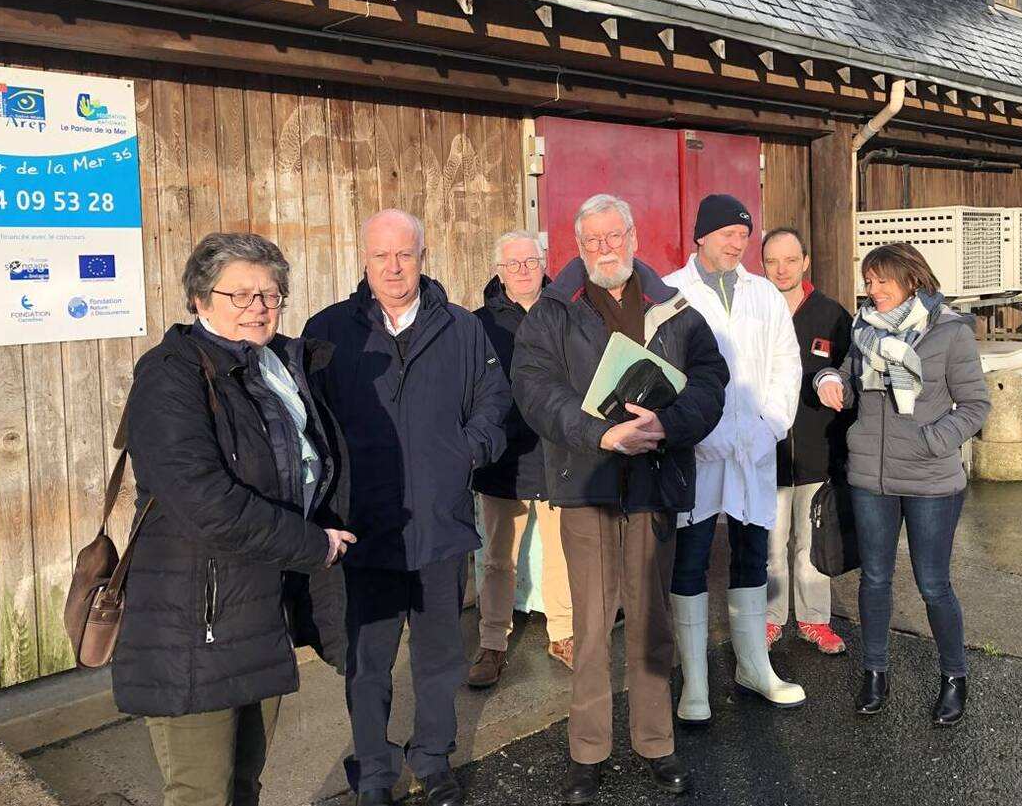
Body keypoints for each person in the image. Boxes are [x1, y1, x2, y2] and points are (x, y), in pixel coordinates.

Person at [116, 232, 356, 806]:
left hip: (256, 605)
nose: (258, 308)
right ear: (200, 300)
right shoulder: (170, 375)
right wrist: (311, 543)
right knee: (202, 791)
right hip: (195, 618)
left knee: (245, 781)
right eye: (239, 295)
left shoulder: (275, 366)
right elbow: (203, 500)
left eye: (270, 295)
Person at [512, 193, 729, 805]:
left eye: (614, 237)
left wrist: (671, 424)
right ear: (577, 248)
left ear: (633, 236)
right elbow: (534, 389)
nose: (605, 249)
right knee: (590, 624)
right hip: (586, 484)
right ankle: (588, 751)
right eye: (591, 241)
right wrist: (597, 433)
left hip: (654, 482)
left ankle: (656, 742)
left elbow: (712, 380)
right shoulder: (554, 310)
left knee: (651, 619)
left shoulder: (675, 305)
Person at [304, 209, 510, 806]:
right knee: (367, 663)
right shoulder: (329, 332)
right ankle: (373, 770)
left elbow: (494, 401)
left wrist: (468, 452)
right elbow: (310, 426)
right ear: (363, 259)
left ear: (423, 255)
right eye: (380, 256)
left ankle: (434, 758)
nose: (393, 269)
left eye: (405, 255)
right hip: (364, 529)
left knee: (440, 658)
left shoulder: (462, 328)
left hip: (440, 525)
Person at [816, 242, 990, 727]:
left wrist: (934, 440)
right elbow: (849, 379)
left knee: (933, 584)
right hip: (871, 475)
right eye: (868, 282)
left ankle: (954, 677)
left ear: (910, 279)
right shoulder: (863, 328)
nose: (872, 291)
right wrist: (830, 380)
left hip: (932, 480)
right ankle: (875, 672)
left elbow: (976, 405)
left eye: (881, 282)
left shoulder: (950, 331)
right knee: (874, 579)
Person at [662, 195, 804, 726]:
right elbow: (665, 370)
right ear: (700, 236)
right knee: (691, 557)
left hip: (753, 446)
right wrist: (689, 430)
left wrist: (771, 423)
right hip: (696, 450)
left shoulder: (763, 293)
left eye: (743, 235)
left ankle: (754, 667)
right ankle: (695, 681)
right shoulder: (673, 292)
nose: (736, 242)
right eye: (725, 233)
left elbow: (787, 363)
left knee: (751, 552)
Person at [468, 230, 574, 687]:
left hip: (556, 451)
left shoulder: (566, 312)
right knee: (497, 557)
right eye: (512, 264)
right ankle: (492, 642)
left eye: (529, 261)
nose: (522, 271)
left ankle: (564, 634)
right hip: (502, 459)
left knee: (562, 551)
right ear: (498, 269)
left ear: (544, 260)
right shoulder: (475, 324)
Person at [762, 227, 852, 656]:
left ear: (805, 262)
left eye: (789, 260)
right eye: (771, 261)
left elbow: (850, 379)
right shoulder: (756, 313)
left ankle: (815, 620)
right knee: (771, 545)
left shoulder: (832, 314)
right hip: (768, 453)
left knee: (812, 545)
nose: (781, 269)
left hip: (818, 451)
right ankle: (770, 618)